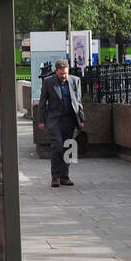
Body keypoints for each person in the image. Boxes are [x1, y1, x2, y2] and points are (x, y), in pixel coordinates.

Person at [36, 58, 84, 187]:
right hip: (54, 119)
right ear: (56, 71)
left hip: (70, 119)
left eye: (65, 73)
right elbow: (42, 103)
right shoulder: (48, 82)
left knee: (68, 146)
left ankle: (64, 176)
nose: (63, 76)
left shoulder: (75, 81)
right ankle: (55, 176)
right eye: (61, 73)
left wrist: (81, 119)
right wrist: (41, 120)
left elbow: (78, 102)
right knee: (57, 145)